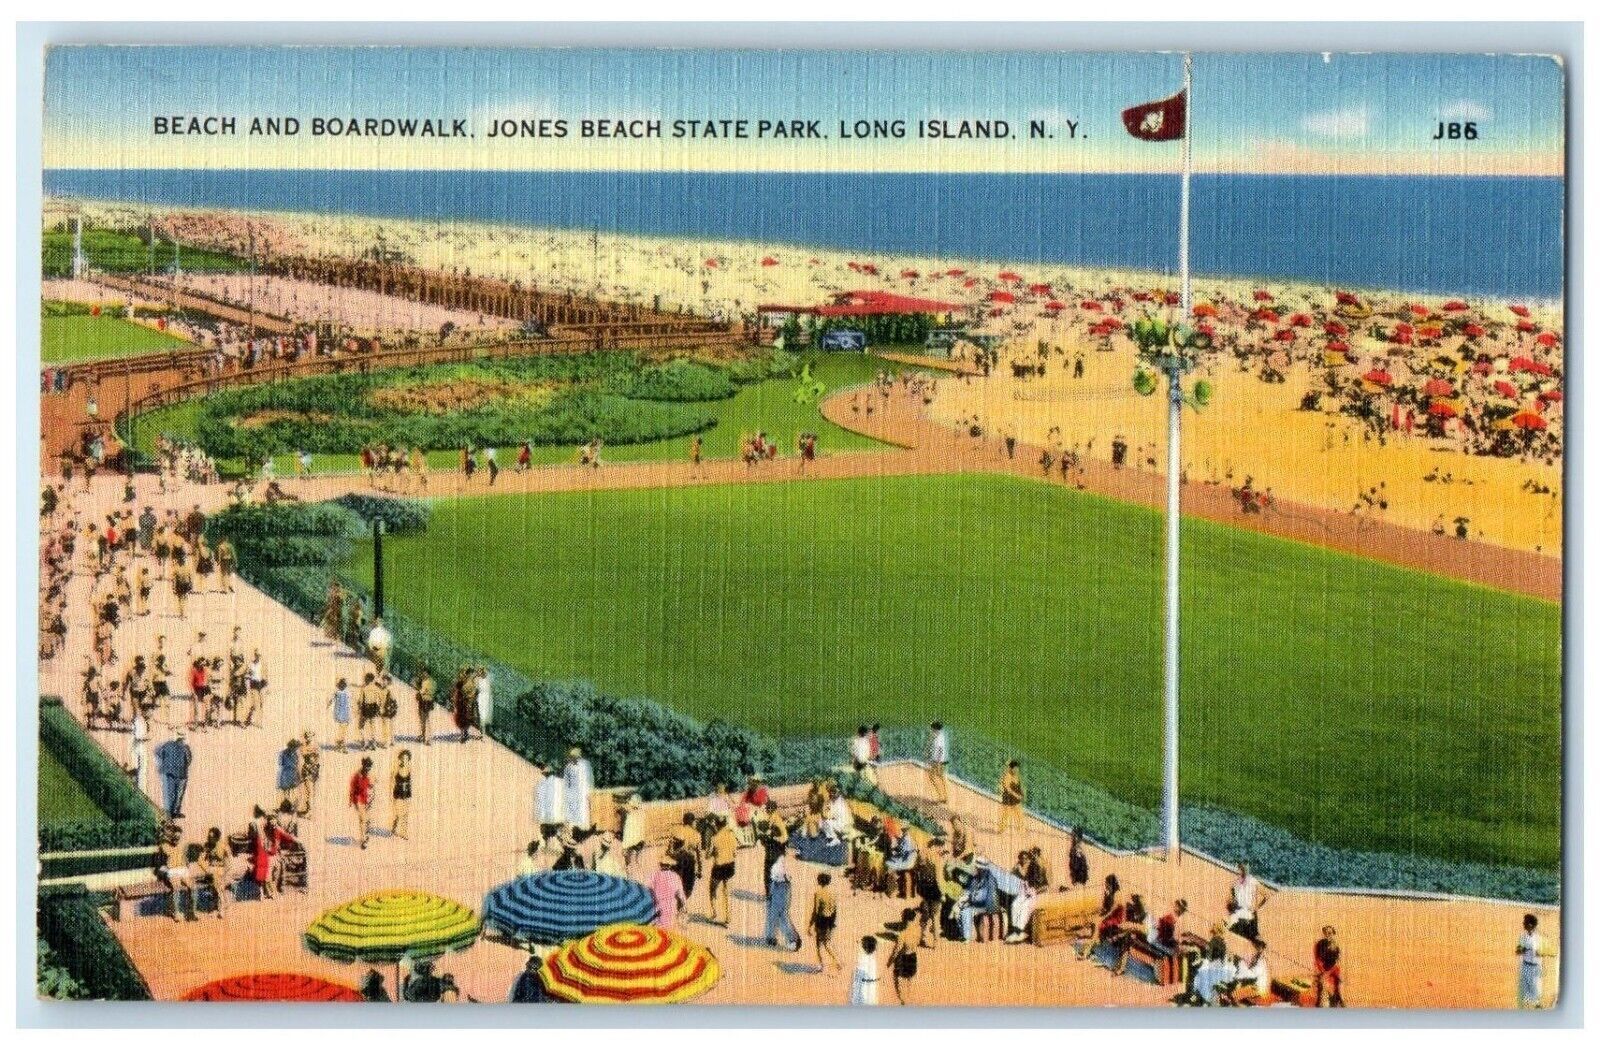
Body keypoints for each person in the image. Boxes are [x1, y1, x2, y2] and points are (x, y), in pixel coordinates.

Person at [155, 825, 198, 922]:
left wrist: (187, 868)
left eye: (178, 837)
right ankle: (176, 913)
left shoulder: (183, 844)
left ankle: (192, 913)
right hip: (172, 870)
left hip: (182, 869)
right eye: (175, 837)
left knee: (193, 887)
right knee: (176, 887)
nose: (177, 839)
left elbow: (185, 858)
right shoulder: (164, 846)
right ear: (171, 836)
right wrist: (165, 872)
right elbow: (160, 863)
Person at [764, 852, 802, 951]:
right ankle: (772, 937)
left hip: (781, 886)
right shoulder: (781, 858)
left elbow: (788, 876)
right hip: (778, 885)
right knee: (776, 914)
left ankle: (791, 939)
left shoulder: (783, 859)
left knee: (779, 914)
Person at [195, 827, 234, 919]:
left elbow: (229, 861)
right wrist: (206, 869)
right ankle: (216, 908)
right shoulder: (207, 845)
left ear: (217, 837)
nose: (209, 838)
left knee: (219, 889)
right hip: (212, 870)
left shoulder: (224, 845)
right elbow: (200, 859)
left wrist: (225, 872)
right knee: (215, 890)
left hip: (223, 869)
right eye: (209, 836)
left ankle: (221, 910)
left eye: (211, 837)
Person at [809, 871, 843, 973]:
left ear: (819, 881)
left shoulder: (818, 893)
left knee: (819, 944)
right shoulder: (833, 894)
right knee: (827, 942)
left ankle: (823, 965)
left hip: (821, 921)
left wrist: (810, 925)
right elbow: (835, 910)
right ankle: (836, 962)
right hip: (830, 921)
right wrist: (833, 923)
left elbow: (815, 911)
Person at [707, 815, 738, 926]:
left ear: (716, 824)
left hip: (718, 866)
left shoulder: (714, 838)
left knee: (712, 890)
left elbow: (707, 855)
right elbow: (735, 853)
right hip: (730, 865)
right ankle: (728, 918)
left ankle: (714, 914)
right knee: (726, 891)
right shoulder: (732, 835)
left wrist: (715, 852)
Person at [154, 730, 192, 819]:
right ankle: (175, 812)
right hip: (181, 773)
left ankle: (169, 813)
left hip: (168, 772)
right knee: (178, 794)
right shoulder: (186, 748)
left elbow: (157, 752)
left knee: (169, 793)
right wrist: (183, 766)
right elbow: (189, 760)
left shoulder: (167, 744)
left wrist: (162, 762)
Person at [1227, 861, 1269, 940]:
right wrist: (1234, 900)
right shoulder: (1238, 881)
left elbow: (1266, 896)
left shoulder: (1252, 881)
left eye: (1238, 869)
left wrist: (1256, 908)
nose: (1237, 871)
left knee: (1227, 927)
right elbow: (1233, 891)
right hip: (1240, 910)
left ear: (1242, 870)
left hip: (1246, 911)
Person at [887, 905, 920, 1005]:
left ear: (904, 918)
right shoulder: (918, 930)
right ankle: (909, 995)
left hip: (903, 957)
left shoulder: (902, 934)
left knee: (897, 978)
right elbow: (918, 942)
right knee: (910, 977)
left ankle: (902, 999)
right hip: (913, 956)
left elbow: (896, 950)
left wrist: (889, 962)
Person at [1517, 913, 1550, 1009]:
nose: (1523, 924)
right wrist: (1523, 949)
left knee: (1536, 991)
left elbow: (1542, 953)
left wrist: (1536, 951)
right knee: (1522, 992)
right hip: (1525, 966)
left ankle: (1538, 1008)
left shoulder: (1539, 938)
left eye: (1525, 922)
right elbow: (1518, 951)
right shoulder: (1522, 937)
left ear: (1530, 925)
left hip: (1535, 968)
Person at [650, 855, 687, 929]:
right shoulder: (675, 876)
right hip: (671, 906)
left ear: (660, 865)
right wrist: (684, 906)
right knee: (668, 930)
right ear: (670, 866)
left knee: (658, 931)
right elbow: (681, 895)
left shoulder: (654, 875)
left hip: (657, 906)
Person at [533, 760, 566, 842]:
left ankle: (550, 844)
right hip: (554, 814)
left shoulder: (542, 783)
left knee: (549, 832)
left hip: (548, 814)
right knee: (554, 831)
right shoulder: (558, 782)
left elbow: (538, 797)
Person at [1313, 925, 1344, 1007]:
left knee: (1336, 988)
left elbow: (1338, 960)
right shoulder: (1320, 944)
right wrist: (1322, 971)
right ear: (1324, 933)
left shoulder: (1336, 945)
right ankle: (1319, 1005)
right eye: (1326, 932)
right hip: (1322, 969)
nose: (1328, 934)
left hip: (1334, 970)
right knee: (1321, 988)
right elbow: (1317, 958)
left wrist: (1330, 972)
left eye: (1330, 932)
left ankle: (1337, 1002)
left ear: (1333, 933)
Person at [563, 747, 593, 830]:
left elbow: (590, 778)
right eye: (572, 757)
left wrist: (590, 790)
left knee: (583, 808)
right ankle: (572, 829)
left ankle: (582, 828)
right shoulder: (568, 767)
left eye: (575, 757)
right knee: (572, 809)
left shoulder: (585, 765)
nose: (574, 758)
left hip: (583, 790)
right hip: (572, 791)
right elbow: (566, 780)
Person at [350, 757, 375, 850]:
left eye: (369, 767)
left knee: (367, 820)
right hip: (359, 800)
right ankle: (363, 839)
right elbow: (353, 789)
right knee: (363, 820)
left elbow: (372, 787)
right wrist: (354, 801)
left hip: (367, 800)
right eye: (366, 766)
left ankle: (365, 833)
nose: (368, 768)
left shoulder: (370, 775)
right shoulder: (357, 775)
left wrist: (371, 798)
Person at [850, 935, 879, 1005]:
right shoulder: (873, 960)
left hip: (862, 997)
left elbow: (857, 986)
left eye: (860, 944)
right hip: (871, 996)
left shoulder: (862, 961)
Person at [390, 750, 413, 840]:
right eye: (403, 758)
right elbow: (392, 782)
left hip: (406, 794)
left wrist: (410, 795)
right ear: (400, 759)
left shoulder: (409, 769)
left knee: (405, 814)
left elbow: (410, 782)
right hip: (398, 793)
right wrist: (391, 795)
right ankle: (395, 825)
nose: (404, 760)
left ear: (408, 759)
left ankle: (404, 832)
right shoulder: (396, 769)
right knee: (399, 813)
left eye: (406, 759)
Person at [925, 721, 949, 803]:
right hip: (940, 760)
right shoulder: (939, 736)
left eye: (932, 728)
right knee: (940, 778)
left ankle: (941, 797)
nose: (931, 730)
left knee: (932, 777)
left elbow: (940, 751)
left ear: (935, 729)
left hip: (938, 761)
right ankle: (945, 797)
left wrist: (937, 763)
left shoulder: (939, 738)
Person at [998, 759, 1025, 835]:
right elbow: (1007, 788)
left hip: (1015, 799)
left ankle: (1021, 830)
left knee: (1019, 815)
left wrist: (1021, 793)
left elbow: (1018, 786)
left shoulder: (1015, 776)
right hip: (1008, 799)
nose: (1016, 770)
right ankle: (1001, 829)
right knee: (1006, 815)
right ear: (1011, 768)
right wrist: (1017, 795)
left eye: (1017, 769)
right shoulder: (1007, 776)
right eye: (1015, 768)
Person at [276, 738, 302, 813]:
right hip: (289, 772)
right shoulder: (293, 754)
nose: (296, 748)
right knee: (288, 790)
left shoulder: (285, 753)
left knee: (289, 791)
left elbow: (281, 763)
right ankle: (287, 806)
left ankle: (289, 806)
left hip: (288, 772)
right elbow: (295, 764)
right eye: (295, 747)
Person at [328, 677, 352, 751]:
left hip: (342, 712)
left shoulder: (341, 692)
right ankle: (342, 744)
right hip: (341, 712)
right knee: (342, 729)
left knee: (343, 729)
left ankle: (341, 744)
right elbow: (331, 700)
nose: (342, 686)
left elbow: (349, 703)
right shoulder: (341, 692)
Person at [415, 669, 437, 745]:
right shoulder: (434, 682)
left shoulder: (426, 682)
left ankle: (425, 737)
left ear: (427, 674)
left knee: (423, 719)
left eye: (425, 673)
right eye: (423, 673)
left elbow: (422, 691)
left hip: (424, 701)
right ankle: (424, 736)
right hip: (429, 701)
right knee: (425, 719)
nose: (424, 675)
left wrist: (419, 691)